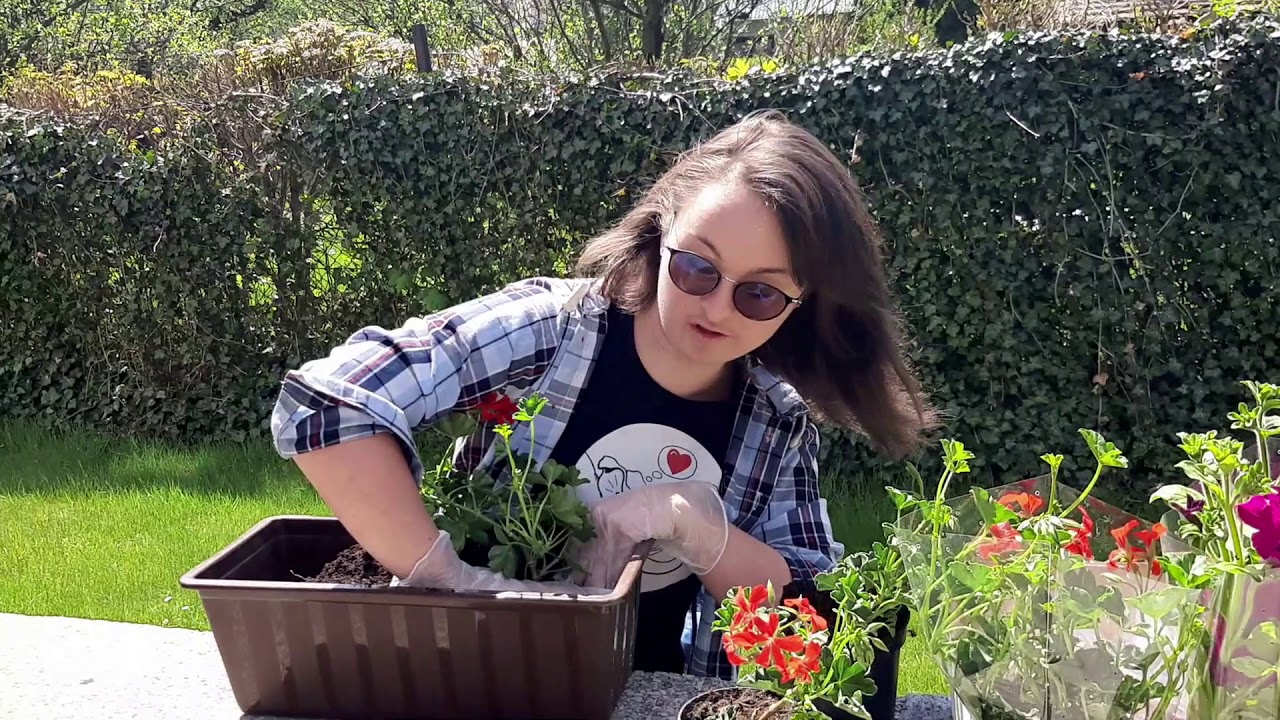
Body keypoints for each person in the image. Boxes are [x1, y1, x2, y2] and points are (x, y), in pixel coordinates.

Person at [269, 109, 936, 679]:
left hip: (650, 696)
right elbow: (330, 400)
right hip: (474, 675)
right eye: (699, 267)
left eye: (759, 292)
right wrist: (448, 575)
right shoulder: (549, 331)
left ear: (799, 304)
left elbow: (806, 616)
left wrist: (700, 529)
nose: (719, 307)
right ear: (660, 233)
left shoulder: (774, 423)